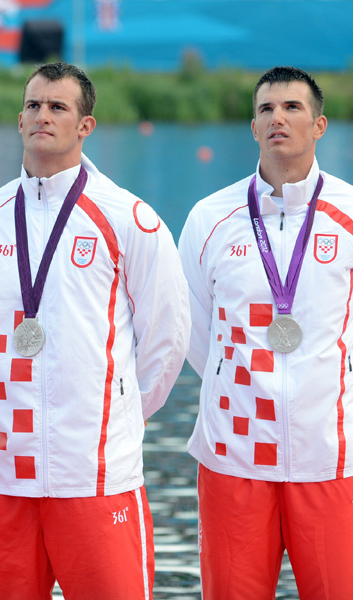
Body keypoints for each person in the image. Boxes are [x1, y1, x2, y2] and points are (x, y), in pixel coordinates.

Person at [0, 62, 190, 599]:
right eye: (34, 105)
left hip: (96, 474)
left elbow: (167, 340)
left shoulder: (130, 218)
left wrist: (116, 413)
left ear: (86, 127)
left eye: (58, 107)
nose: (43, 116)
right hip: (2, 474)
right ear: (19, 119)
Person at [179, 66, 353, 598]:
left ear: (319, 124)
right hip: (235, 455)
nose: (278, 118)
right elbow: (193, 333)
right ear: (253, 127)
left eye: (292, 108)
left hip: (330, 457)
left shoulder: (349, 213)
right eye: (266, 110)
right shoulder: (209, 218)